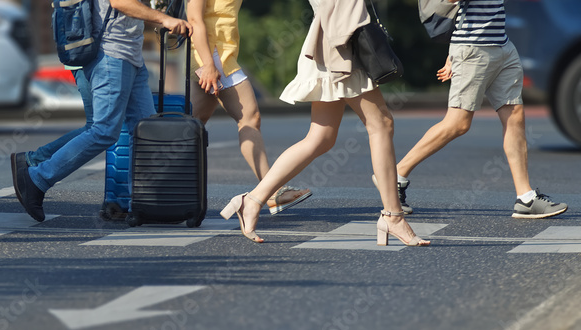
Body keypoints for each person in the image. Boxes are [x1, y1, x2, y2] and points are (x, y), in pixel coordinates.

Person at [219, 0, 429, 246]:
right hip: (340, 44)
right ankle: (392, 216)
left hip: (334, 42)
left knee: (321, 138)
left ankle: (253, 200)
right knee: (381, 124)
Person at [11, 0, 192, 222]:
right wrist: (163, 18)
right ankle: (37, 178)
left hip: (132, 55)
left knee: (145, 132)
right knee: (104, 130)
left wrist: (159, 10)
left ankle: (141, 202)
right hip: (111, 54)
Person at [392, 0, 567, 219]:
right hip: (473, 49)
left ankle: (526, 198)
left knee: (515, 117)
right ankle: (396, 176)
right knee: (458, 123)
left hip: (502, 46)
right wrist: (456, 50)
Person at [185, 0, 311, 215]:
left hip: (218, 53)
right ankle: (272, 192)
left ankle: (158, 182)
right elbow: (195, 17)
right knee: (249, 118)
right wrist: (208, 65)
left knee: (191, 125)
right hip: (214, 55)